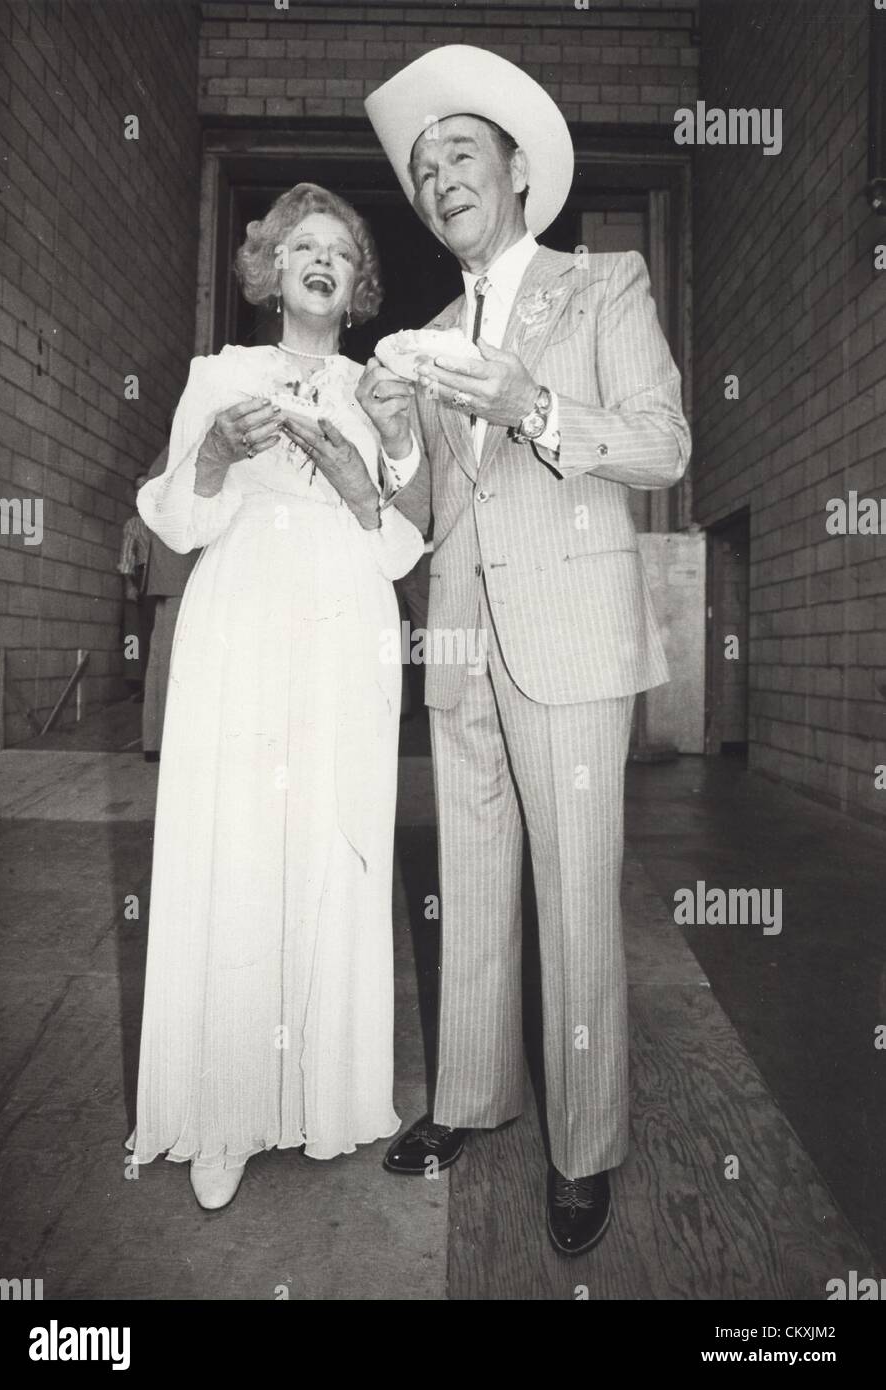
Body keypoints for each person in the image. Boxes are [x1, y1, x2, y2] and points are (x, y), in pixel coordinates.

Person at [358, 47, 691, 1256]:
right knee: (475, 884)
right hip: (462, 641)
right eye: (421, 164)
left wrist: (532, 408)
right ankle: (468, 1096)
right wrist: (396, 443)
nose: (437, 175)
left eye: (459, 152)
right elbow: (422, 517)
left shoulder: (603, 286)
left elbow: (662, 446)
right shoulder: (425, 334)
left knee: (575, 900)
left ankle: (582, 1146)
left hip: (574, 636)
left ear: (515, 170)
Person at [127, 183, 424, 1210]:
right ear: (269, 269)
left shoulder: (381, 388)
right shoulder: (221, 374)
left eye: (339, 251)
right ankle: (225, 1116)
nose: (319, 258)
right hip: (242, 621)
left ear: (356, 287)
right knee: (240, 846)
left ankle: (328, 1095)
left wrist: (357, 470)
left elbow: (396, 544)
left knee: (332, 841)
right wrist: (212, 451)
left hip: (346, 628)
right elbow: (176, 517)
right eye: (301, 243)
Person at [138, 443, 200, 761]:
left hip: (168, 574)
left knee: (161, 658)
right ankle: (165, 741)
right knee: (175, 660)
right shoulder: (182, 451)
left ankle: (155, 741)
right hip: (181, 572)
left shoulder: (166, 456)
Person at [116, 472, 151, 698]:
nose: (142, 492)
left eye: (146, 487)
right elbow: (127, 556)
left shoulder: (164, 518)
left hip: (163, 578)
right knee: (135, 634)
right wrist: (129, 585)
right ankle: (138, 684)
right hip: (141, 578)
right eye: (138, 488)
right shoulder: (133, 524)